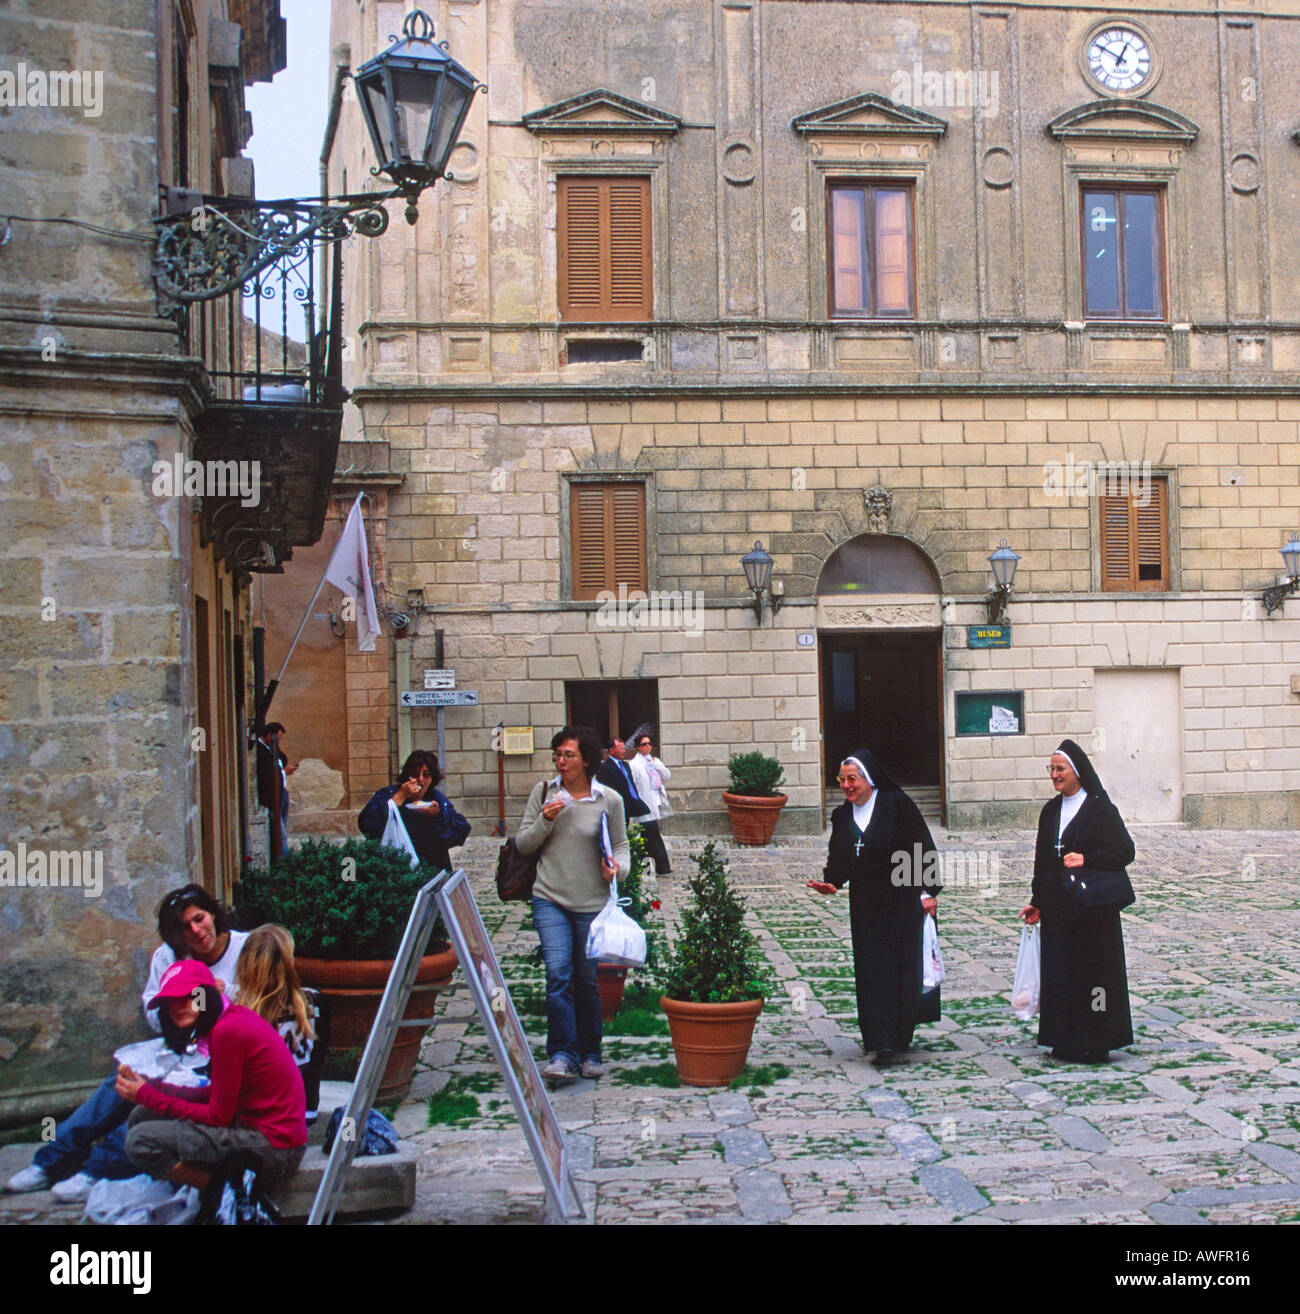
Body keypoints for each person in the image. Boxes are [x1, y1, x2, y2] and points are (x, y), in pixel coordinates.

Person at [4, 884, 249, 1201]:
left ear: (212, 913)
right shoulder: (169, 956)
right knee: (120, 1081)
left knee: (152, 1099)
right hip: (180, 1047)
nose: (196, 931)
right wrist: (175, 1013)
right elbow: (152, 1004)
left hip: (225, 1056)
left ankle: (97, 1170)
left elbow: (266, 1001)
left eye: (199, 919)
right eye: (184, 928)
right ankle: (51, 1160)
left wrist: (222, 991)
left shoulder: (247, 948)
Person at [117, 959, 308, 1191]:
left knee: (139, 1141)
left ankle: (226, 1191)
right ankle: (211, 1183)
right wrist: (154, 1088)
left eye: (190, 996)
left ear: (205, 996)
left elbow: (218, 1117)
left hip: (274, 1147)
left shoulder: (227, 1031)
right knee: (142, 1115)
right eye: (170, 1001)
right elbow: (218, 1093)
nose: (179, 1005)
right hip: (259, 1131)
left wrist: (148, 1095)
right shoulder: (228, 1021)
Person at [808, 749, 941, 1065]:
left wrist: (927, 891)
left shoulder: (896, 805)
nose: (846, 785)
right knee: (871, 969)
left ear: (868, 778)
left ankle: (897, 1037)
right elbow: (838, 857)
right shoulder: (842, 816)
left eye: (852, 778)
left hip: (902, 899)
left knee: (900, 966)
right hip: (865, 904)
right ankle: (878, 1038)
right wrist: (832, 882)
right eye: (842, 779)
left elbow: (920, 846)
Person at [516, 725, 629, 1085]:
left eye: (568, 755)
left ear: (587, 761)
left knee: (586, 979)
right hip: (550, 897)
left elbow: (622, 847)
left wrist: (618, 870)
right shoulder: (544, 793)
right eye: (558, 755)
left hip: (592, 901)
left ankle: (591, 1053)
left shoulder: (608, 799)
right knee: (558, 974)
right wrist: (545, 821)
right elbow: (523, 844)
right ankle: (561, 1055)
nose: (560, 761)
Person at [1020, 739, 1135, 1063]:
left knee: (1094, 976)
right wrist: (1037, 900)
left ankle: (1097, 1039)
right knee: (1061, 973)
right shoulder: (1051, 810)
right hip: (1058, 907)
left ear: (1077, 772)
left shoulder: (1099, 808)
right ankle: (1063, 1039)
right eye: (1052, 769)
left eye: (1060, 769)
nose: (1055, 775)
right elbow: (1042, 861)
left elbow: (1125, 852)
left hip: (1092, 909)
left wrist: (1087, 858)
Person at [234, 924, 328, 1119]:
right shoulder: (317, 1000)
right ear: (289, 962)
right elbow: (319, 1056)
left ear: (246, 967)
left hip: (265, 1119)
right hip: (306, 1110)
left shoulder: (240, 1017)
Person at [358, 749, 471, 871]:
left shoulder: (435, 798)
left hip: (431, 869)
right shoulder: (388, 794)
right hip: (396, 868)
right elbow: (367, 825)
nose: (420, 779)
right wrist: (397, 799)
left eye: (426, 775)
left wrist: (438, 816)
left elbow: (460, 832)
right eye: (415, 774)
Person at [627, 732, 672, 876]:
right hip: (644, 804)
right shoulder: (634, 764)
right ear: (638, 747)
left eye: (649, 744)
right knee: (650, 835)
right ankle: (660, 867)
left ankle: (654, 867)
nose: (647, 747)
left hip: (655, 802)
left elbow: (666, 776)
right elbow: (632, 785)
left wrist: (657, 765)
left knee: (650, 835)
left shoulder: (654, 761)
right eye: (643, 744)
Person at [595, 737, 650, 823]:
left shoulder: (625, 765)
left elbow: (630, 784)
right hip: (615, 808)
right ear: (612, 750)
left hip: (628, 805)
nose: (623, 751)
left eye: (624, 748)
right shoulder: (605, 768)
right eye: (620, 749)